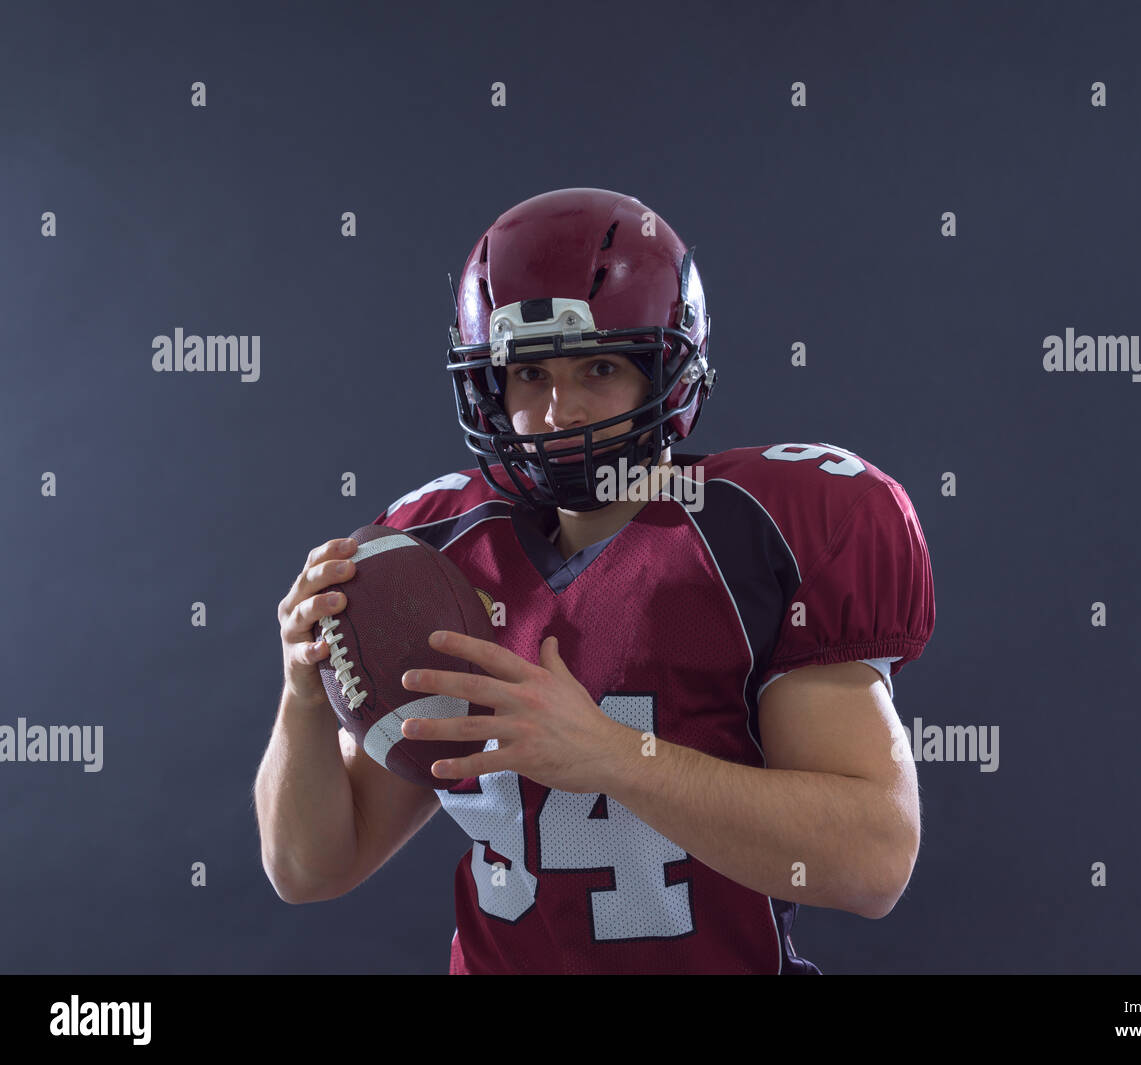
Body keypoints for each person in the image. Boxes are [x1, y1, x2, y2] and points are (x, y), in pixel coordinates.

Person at [256, 187, 936, 974]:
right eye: (530, 375)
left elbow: (873, 857)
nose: (557, 411)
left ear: (665, 374)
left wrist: (614, 756)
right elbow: (310, 869)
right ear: (487, 385)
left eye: (600, 368)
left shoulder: (758, 534)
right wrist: (304, 697)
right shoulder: (436, 552)